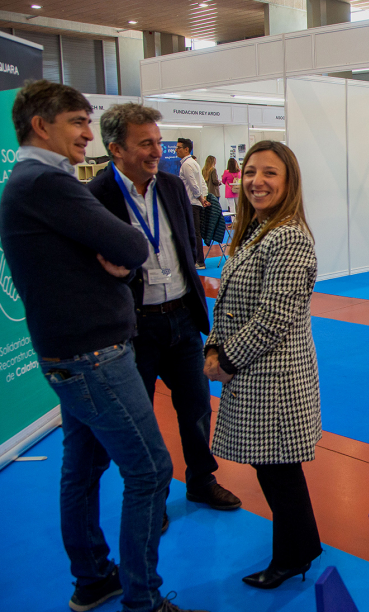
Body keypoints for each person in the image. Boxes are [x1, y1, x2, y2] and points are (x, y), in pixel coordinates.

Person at [0, 80, 204, 612]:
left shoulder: (31, 184)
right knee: (151, 469)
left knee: (83, 467)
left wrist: (109, 260)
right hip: (93, 354)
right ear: (41, 126)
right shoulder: (49, 183)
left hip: (75, 349)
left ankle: (92, 578)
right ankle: (142, 598)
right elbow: (132, 244)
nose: (86, 134)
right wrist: (117, 257)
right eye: (77, 123)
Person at [88, 103, 242, 526]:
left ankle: (201, 480)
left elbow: (187, 244)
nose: (158, 151)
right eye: (146, 144)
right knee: (138, 420)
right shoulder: (95, 197)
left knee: (195, 407)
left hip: (183, 320)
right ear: (116, 149)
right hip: (133, 328)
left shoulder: (172, 187)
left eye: (159, 142)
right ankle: (149, 493)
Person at [203, 141, 323, 589]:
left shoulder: (289, 235)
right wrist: (214, 348)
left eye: (270, 173)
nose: (257, 181)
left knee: (278, 470)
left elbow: (273, 316)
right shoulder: (259, 229)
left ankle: (293, 556)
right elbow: (233, 303)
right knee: (276, 469)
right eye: (251, 171)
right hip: (256, 371)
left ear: (289, 180)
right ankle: (302, 546)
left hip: (274, 378)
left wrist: (225, 359)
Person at [175, 138, 209, 269]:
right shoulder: (194, 163)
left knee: (194, 233)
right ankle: (196, 260)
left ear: (186, 149)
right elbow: (202, 184)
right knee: (194, 232)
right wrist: (203, 197)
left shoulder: (187, 164)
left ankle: (199, 261)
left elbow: (194, 185)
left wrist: (201, 198)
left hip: (191, 202)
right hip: (194, 202)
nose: (176, 150)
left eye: (178, 147)